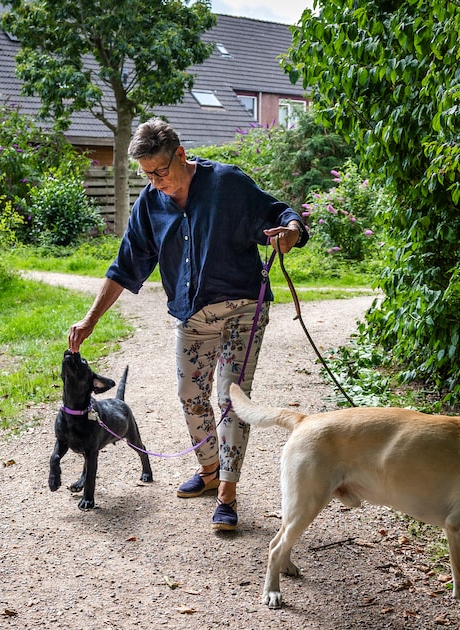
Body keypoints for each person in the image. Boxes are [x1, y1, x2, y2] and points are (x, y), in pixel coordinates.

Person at [67, 118, 308, 531]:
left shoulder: (226, 183)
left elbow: (281, 214)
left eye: (161, 171)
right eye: (147, 175)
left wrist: (290, 231)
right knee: (189, 395)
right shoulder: (150, 203)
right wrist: (91, 319)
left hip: (242, 308)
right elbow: (124, 265)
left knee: (232, 397)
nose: (156, 182)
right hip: (192, 315)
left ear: (180, 154)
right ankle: (209, 471)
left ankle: (228, 492)